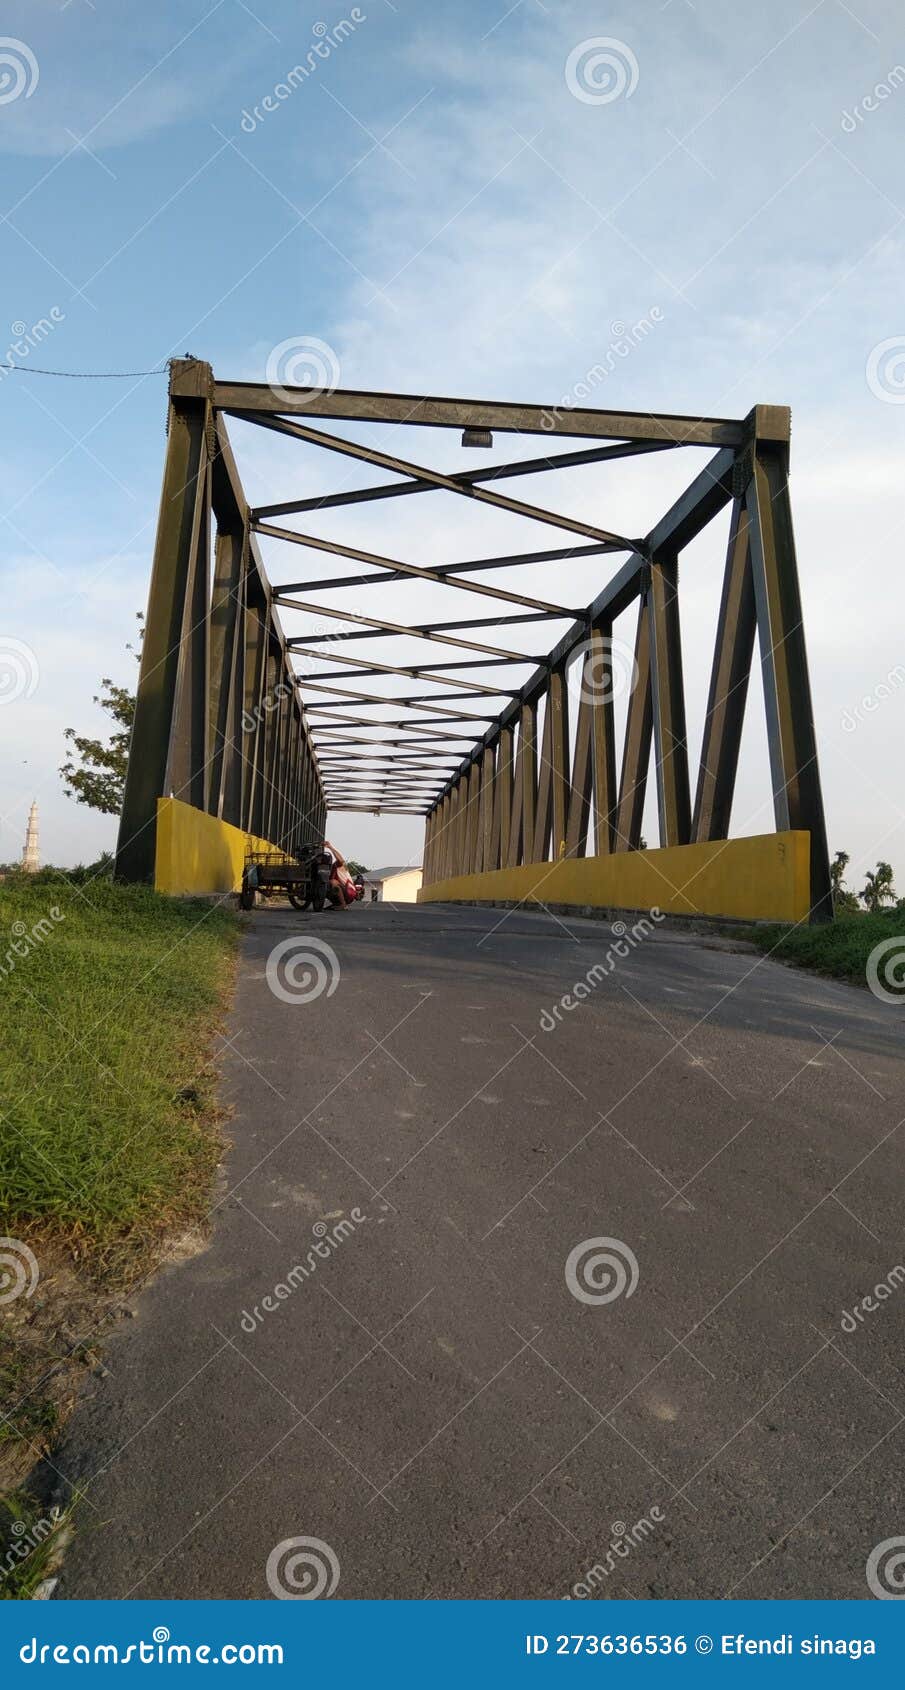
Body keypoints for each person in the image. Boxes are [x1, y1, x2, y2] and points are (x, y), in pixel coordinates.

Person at [324, 838, 356, 909]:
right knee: (325, 885)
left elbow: (341, 860)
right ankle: (336, 903)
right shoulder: (329, 870)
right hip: (342, 891)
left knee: (333, 882)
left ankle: (343, 904)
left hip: (349, 892)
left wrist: (330, 847)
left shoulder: (338, 866)